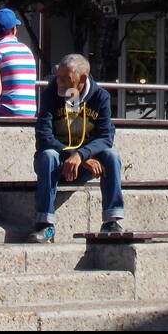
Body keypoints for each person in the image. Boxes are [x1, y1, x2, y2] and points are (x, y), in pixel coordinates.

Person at [29, 53, 124, 243]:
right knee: (47, 155)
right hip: (59, 161)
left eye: (66, 78)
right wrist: (74, 155)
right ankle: (45, 225)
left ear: (82, 78)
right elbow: (44, 137)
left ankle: (112, 221)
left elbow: (106, 137)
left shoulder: (100, 97)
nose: (61, 83)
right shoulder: (50, 94)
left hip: (87, 162)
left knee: (112, 155)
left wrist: (81, 155)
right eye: (59, 77)